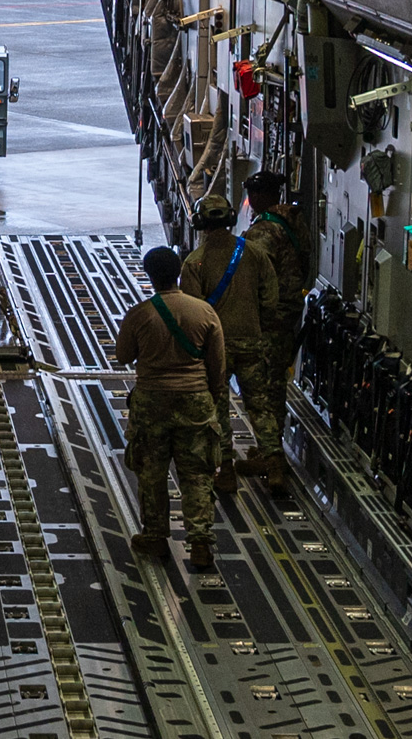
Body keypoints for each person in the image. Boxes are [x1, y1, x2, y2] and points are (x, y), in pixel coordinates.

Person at [115, 246, 228, 570]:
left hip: (152, 401)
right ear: (179, 271)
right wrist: (210, 397)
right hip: (195, 399)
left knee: (151, 471)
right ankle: (200, 542)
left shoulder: (140, 314)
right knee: (197, 473)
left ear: (149, 275)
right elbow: (218, 365)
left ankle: (155, 535)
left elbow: (123, 356)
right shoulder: (204, 312)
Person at [181, 194, 279, 494]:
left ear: (200, 222)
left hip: (216, 350)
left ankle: (225, 471)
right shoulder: (255, 253)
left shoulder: (194, 262)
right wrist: (257, 325)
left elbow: (192, 314)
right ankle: (276, 466)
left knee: (218, 410)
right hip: (251, 342)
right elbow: (271, 299)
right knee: (260, 405)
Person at [239, 170, 312, 487]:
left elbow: (250, 274)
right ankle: (269, 448)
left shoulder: (263, 231)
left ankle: (273, 460)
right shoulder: (294, 222)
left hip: (268, 317)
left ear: (258, 196)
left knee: (260, 388)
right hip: (289, 312)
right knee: (275, 382)